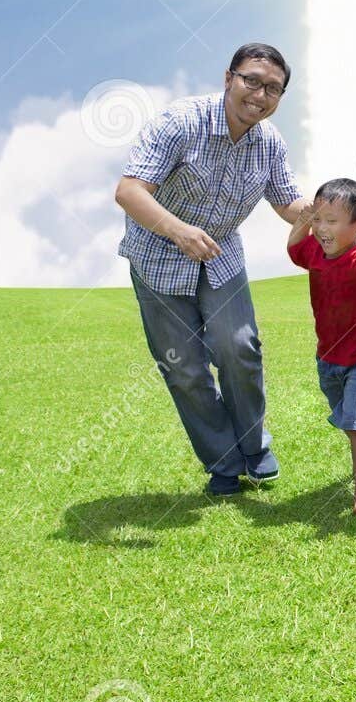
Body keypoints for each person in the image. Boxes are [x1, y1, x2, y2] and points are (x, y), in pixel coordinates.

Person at [114, 43, 311, 496]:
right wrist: (178, 231)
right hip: (157, 256)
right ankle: (223, 462)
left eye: (274, 89)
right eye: (252, 81)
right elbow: (129, 191)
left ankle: (255, 449)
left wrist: (337, 210)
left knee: (240, 346)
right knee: (184, 368)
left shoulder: (269, 142)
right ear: (229, 78)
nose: (260, 95)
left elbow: (287, 203)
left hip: (221, 254)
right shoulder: (180, 122)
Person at [286, 178, 356, 515]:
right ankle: (353, 435)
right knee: (346, 418)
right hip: (328, 359)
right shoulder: (315, 251)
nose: (322, 229)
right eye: (318, 219)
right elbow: (293, 249)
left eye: (332, 221)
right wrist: (302, 221)